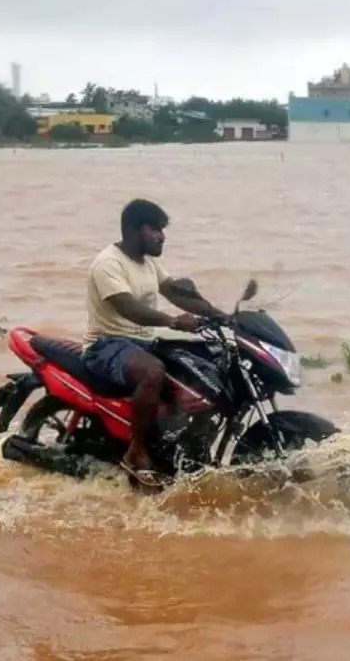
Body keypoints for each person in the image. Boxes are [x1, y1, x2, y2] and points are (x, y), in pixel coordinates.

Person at [81, 198, 223, 488]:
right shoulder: (108, 264)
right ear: (135, 230)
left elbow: (176, 293)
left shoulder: (148, 264)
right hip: (107, 344)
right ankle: (137, 450)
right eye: (156, 229)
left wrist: (223, 316)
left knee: (206, 373)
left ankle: (190, 452)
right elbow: (129, 309)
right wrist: (173, 321)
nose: (162, 236)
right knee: (153, 372)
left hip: (143, 343)